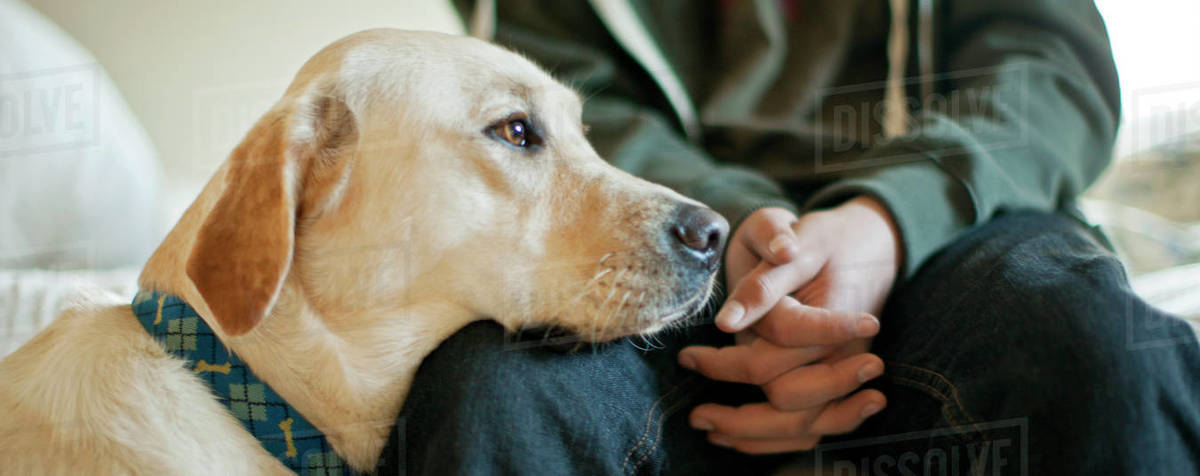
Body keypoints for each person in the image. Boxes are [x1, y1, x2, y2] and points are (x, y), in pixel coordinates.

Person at [396, 0, 1200, 473]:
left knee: (1097, 346)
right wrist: (738, 226)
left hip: (951, 224)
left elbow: (1050, 80)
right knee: (490, 391)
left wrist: (886, 219)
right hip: (656, 237)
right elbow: (558, 101)